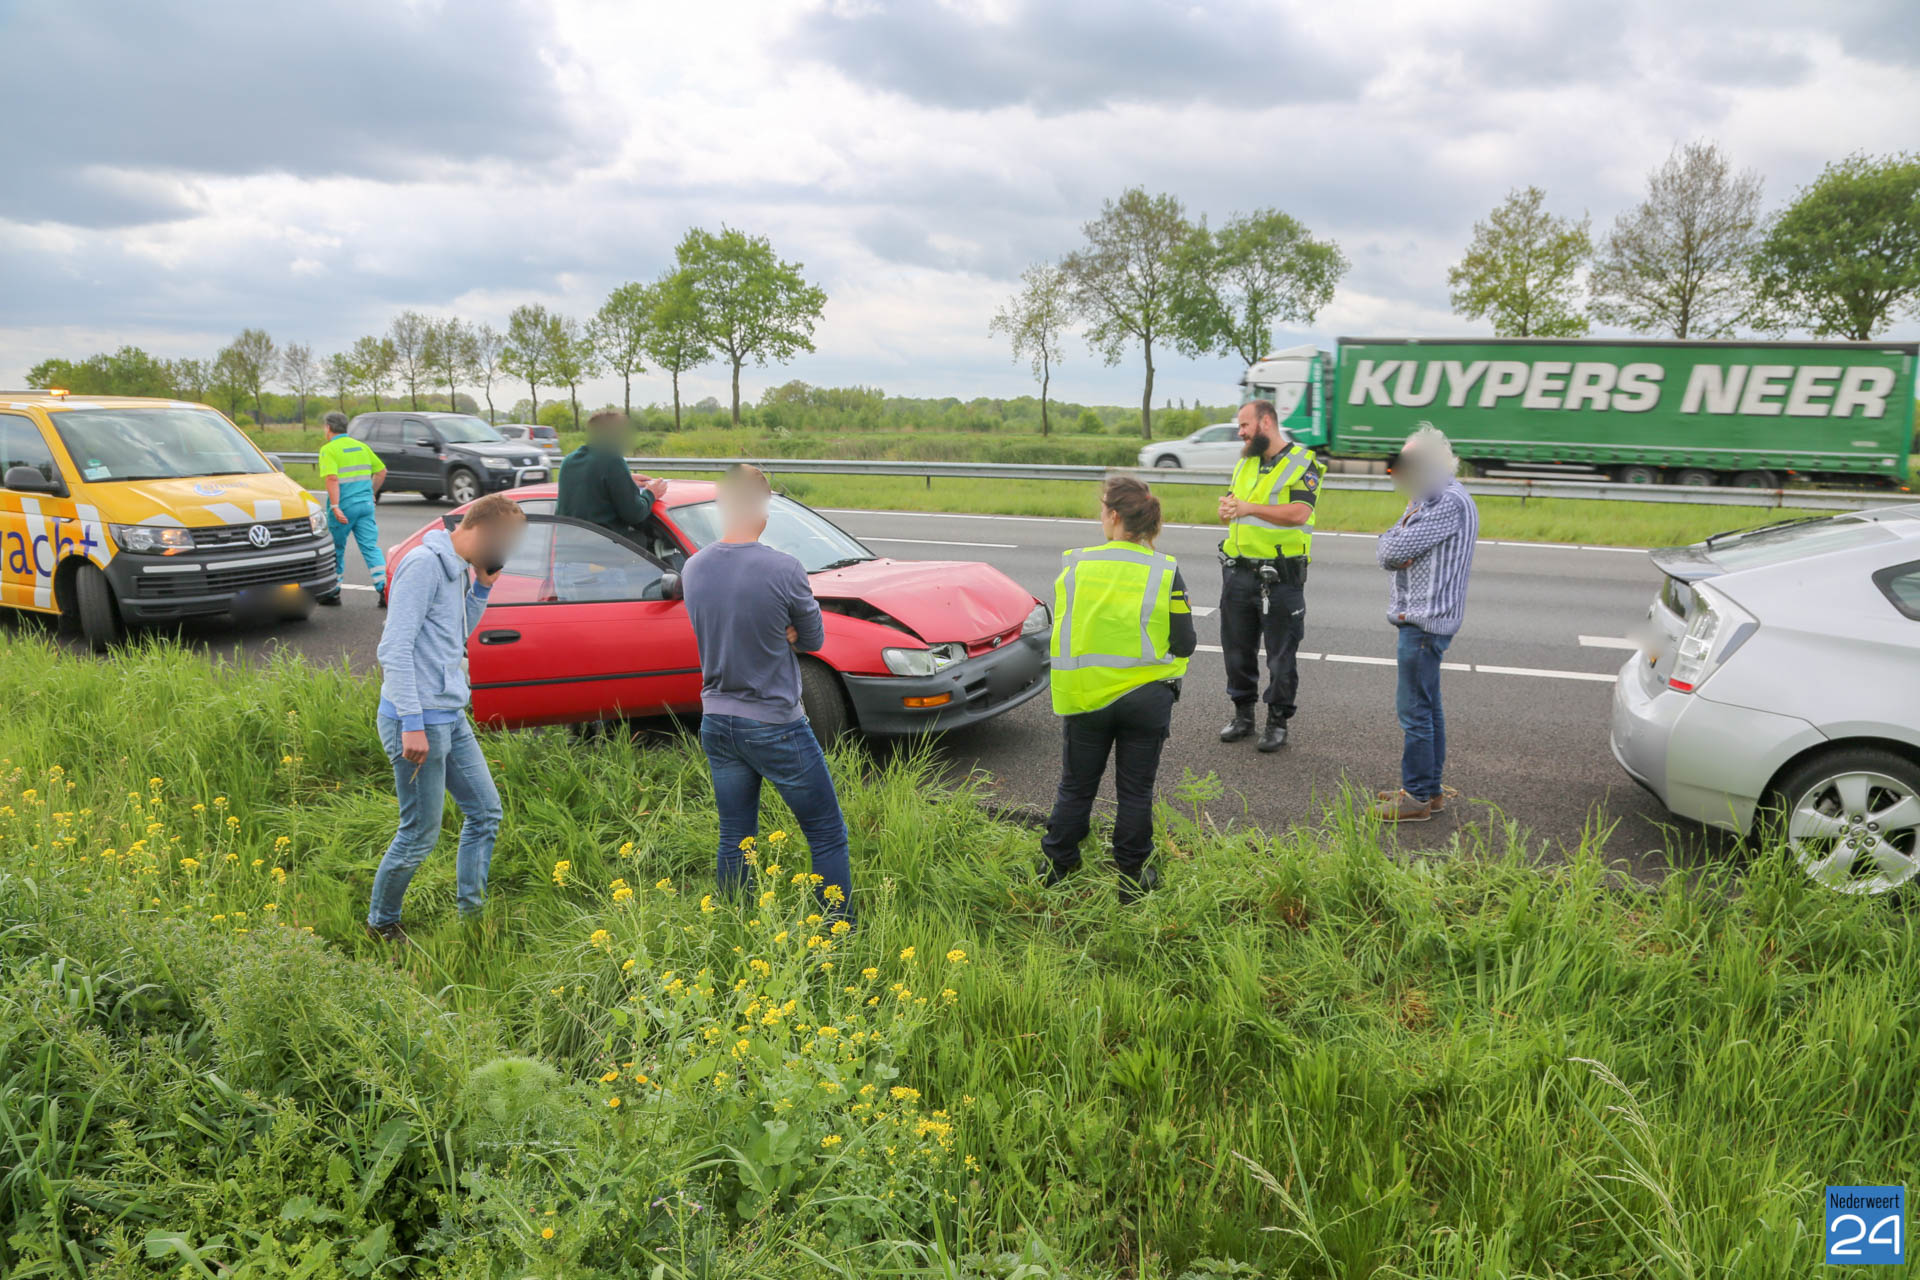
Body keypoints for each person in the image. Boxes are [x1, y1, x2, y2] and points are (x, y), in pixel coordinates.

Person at [683, 464, 854, 918]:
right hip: (775, 723)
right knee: (826, 834)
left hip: (717, 720)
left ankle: (734, 926)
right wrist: (789, 633)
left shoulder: (694, 567)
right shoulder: (784, 568)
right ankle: (836, 934)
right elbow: (814, 639)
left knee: (735, 835)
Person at [365, 492, 527, 942]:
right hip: (416, 719)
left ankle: (472, 917)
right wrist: (412, 724)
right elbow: (393, 649)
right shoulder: (424, 565)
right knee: (419, 833)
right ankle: (382, 923)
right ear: (482, 529)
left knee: (485, 812)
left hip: (448, 713)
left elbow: (456, 635)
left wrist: (483, 586)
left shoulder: (458, 569)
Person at [1040, 476, 1195, 903]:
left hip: (1087, 696)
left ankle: (1058, 864)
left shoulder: (1076, 565)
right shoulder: (1165, 570)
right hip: (1146, 698)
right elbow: (1185, 641)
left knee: (1076, 786)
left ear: (1112, 516)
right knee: (1135, 790)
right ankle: (1132, 878)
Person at [1372, 424, 1478, 823]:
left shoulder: (1445, 502)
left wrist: (1394, 544)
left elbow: (1391, 549)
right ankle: (1428, 790)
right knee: (1428, 709)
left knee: (1414, 712)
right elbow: (1394, 546)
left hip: (1425, 621)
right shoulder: (1430, 497)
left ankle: (1415, 797)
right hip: (1426, 620)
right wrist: (1395, 543)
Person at [1216, 399, 1325, 752]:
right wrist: (1228, 509)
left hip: (1280, 576)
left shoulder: (1303, 462)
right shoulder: (1246, 463)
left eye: (1245, 425)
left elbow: (1298, 513)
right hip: (1238, 571)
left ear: (1265, 422)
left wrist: (1248, 508)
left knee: (1281, 656)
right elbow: (1236, 506)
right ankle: (1243, 715)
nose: (1240, 432)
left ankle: (1277, 721)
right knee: (1236, 651)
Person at [555, 410, 668, 544]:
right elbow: (634, 514)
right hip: (601, 552)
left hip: (566, 548)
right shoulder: (612, 460)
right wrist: (651, 493)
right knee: (643, 541)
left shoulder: (569, 461)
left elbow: (588, 487)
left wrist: (625, 479)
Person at [316, 410, 388, 607]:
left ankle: (333, 592)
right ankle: (384, 589)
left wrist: (336, 506)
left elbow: (332, 478)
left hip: (344, 507)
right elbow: (381, 471)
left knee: (336, 549)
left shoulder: (329, 450)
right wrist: (371, 493)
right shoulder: (361, 447)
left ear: (328, 428)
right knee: (370, 547)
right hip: (365, 506)